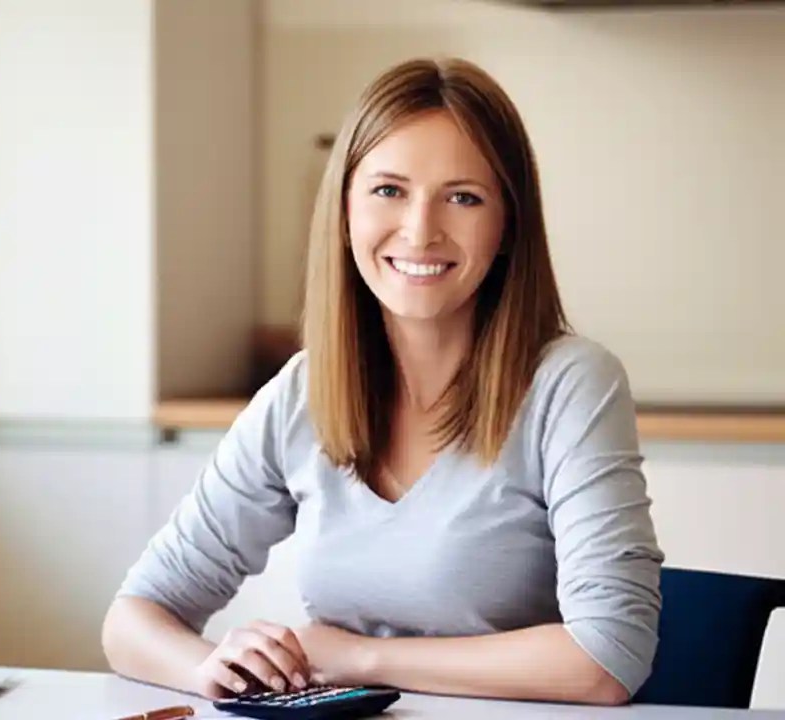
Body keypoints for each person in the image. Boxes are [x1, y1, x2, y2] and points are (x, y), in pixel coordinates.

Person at [101, 57, 664, 707]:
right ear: (344, 211)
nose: (421, 230)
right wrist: (213, 667)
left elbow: (607, 658)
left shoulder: (570, 385)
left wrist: (359, 656)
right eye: (389, 190)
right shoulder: (301, 393)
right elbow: (133, 620)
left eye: (463, 197)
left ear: (508, 225)